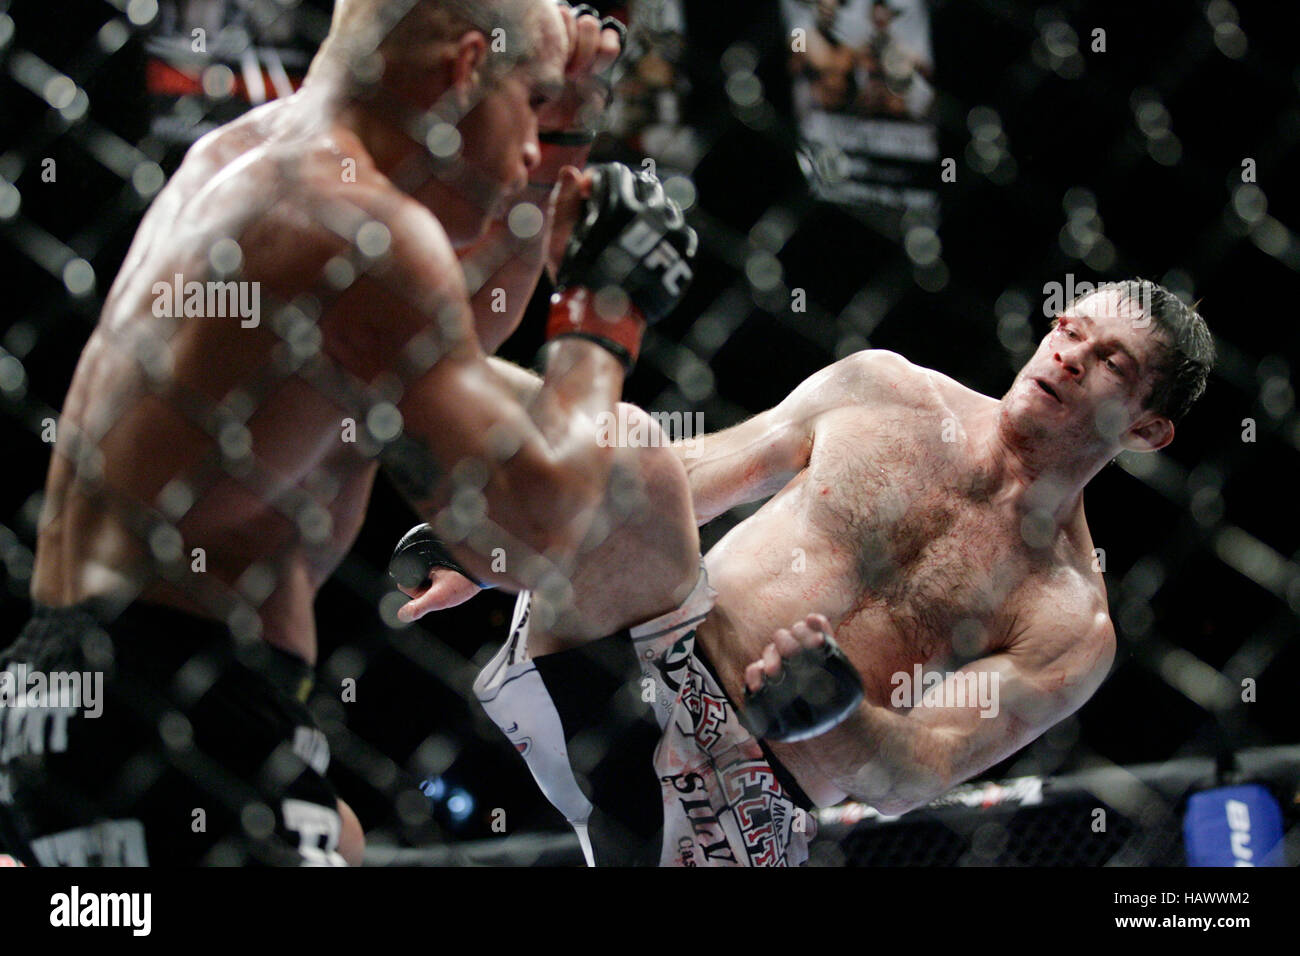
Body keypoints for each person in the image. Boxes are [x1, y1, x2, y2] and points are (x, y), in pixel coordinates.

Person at [0, 0, 699, 866]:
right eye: (529, 105)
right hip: (176, 695)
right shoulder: (350, 230)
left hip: (104, 687)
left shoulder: (252, 159)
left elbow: (462, 332)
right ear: (462, 70)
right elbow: (541, 522)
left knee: (348, 842)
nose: (529, 149)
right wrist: (602, 314)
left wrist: (559, 141)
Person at [396, 279, 1215, 865]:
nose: (1071, 356)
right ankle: (371, 334)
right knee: (631, 437)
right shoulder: (884, 389)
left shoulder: (1070, 620)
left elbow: (922, 768)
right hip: (639, 648)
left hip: (745, 797)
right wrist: (495, 546)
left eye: (1111, 362)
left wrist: (835, 715)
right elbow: (686, 473)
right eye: (1070, 328)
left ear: (1145, 429)